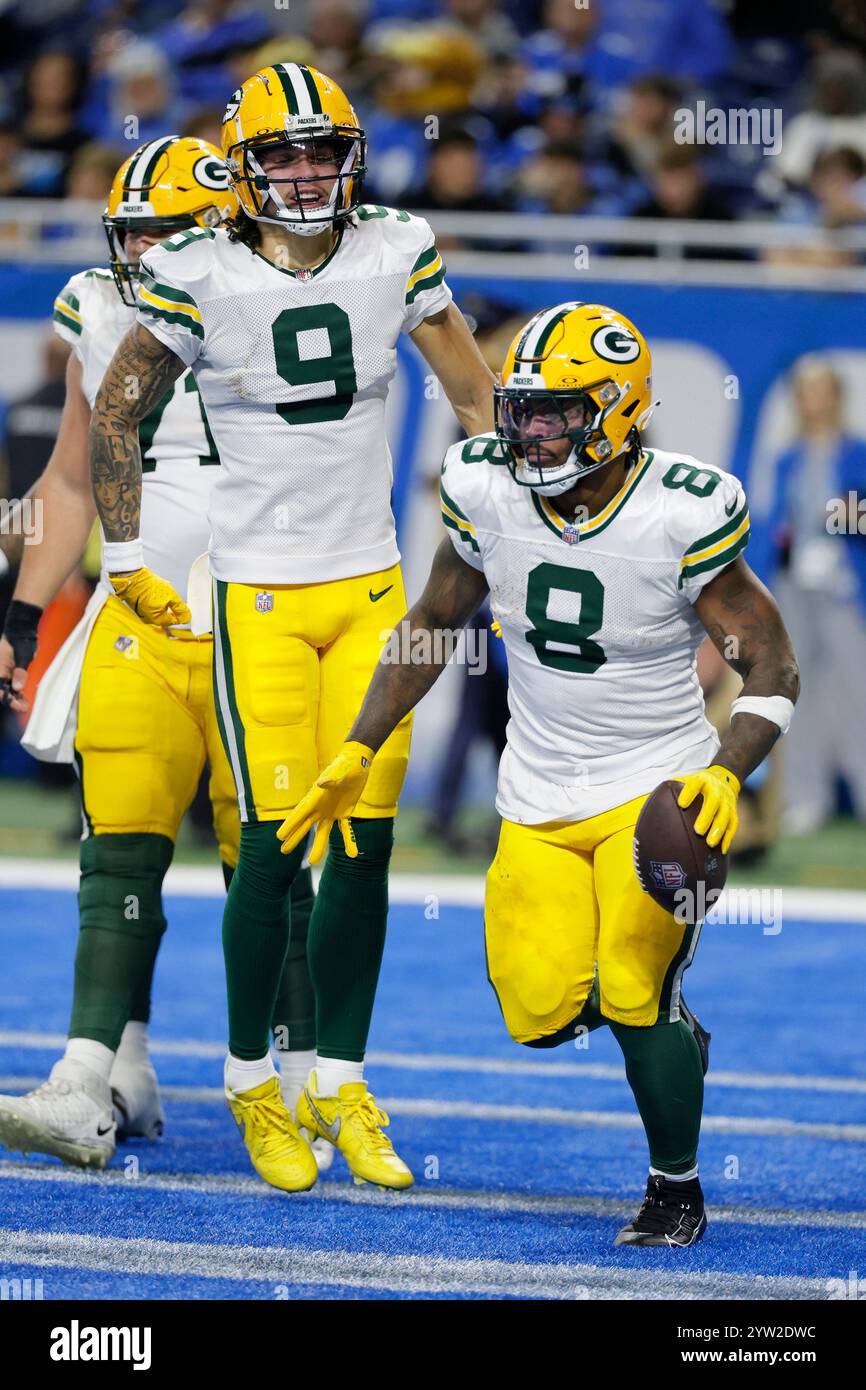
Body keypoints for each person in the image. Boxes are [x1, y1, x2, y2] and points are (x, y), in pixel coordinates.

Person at [279, 300, 800, 1247]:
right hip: (538, 791)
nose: (528, 431)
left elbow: (773, 663)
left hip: (660, 789)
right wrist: (359, 743)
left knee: (634, 990)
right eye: (520, 411)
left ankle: (674, 1187)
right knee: (535, 1006)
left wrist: (727, 774)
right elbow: (436, 618)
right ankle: (671, 1032)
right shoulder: (484, 486)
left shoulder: (683, 506)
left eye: (554, 413)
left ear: (617, 409)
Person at [84, 63, 495, 1194]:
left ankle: (341, 1080)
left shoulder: (395, 248)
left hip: (369, 589)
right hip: (255, 593)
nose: (307, 174)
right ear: (247, 164)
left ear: (353, 156)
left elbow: (472, 394)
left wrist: (505, 511)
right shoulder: (193, 268)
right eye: (283, 155)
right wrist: (122, 555)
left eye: (325, 152)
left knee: (363, 840)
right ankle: (251, 1079)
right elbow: (119, 410)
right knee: (269, 845)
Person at [0, 136, 324, 1174]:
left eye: (158, 233)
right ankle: (101, 1073)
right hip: (143, 618)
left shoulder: (288, 296)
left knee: (269, 864)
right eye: (126, 232)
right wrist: (21, 611)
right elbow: (64, 480)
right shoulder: (96, 305)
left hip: (263, 621)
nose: (136, 252)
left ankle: (299, 1074)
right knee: (119, 855)